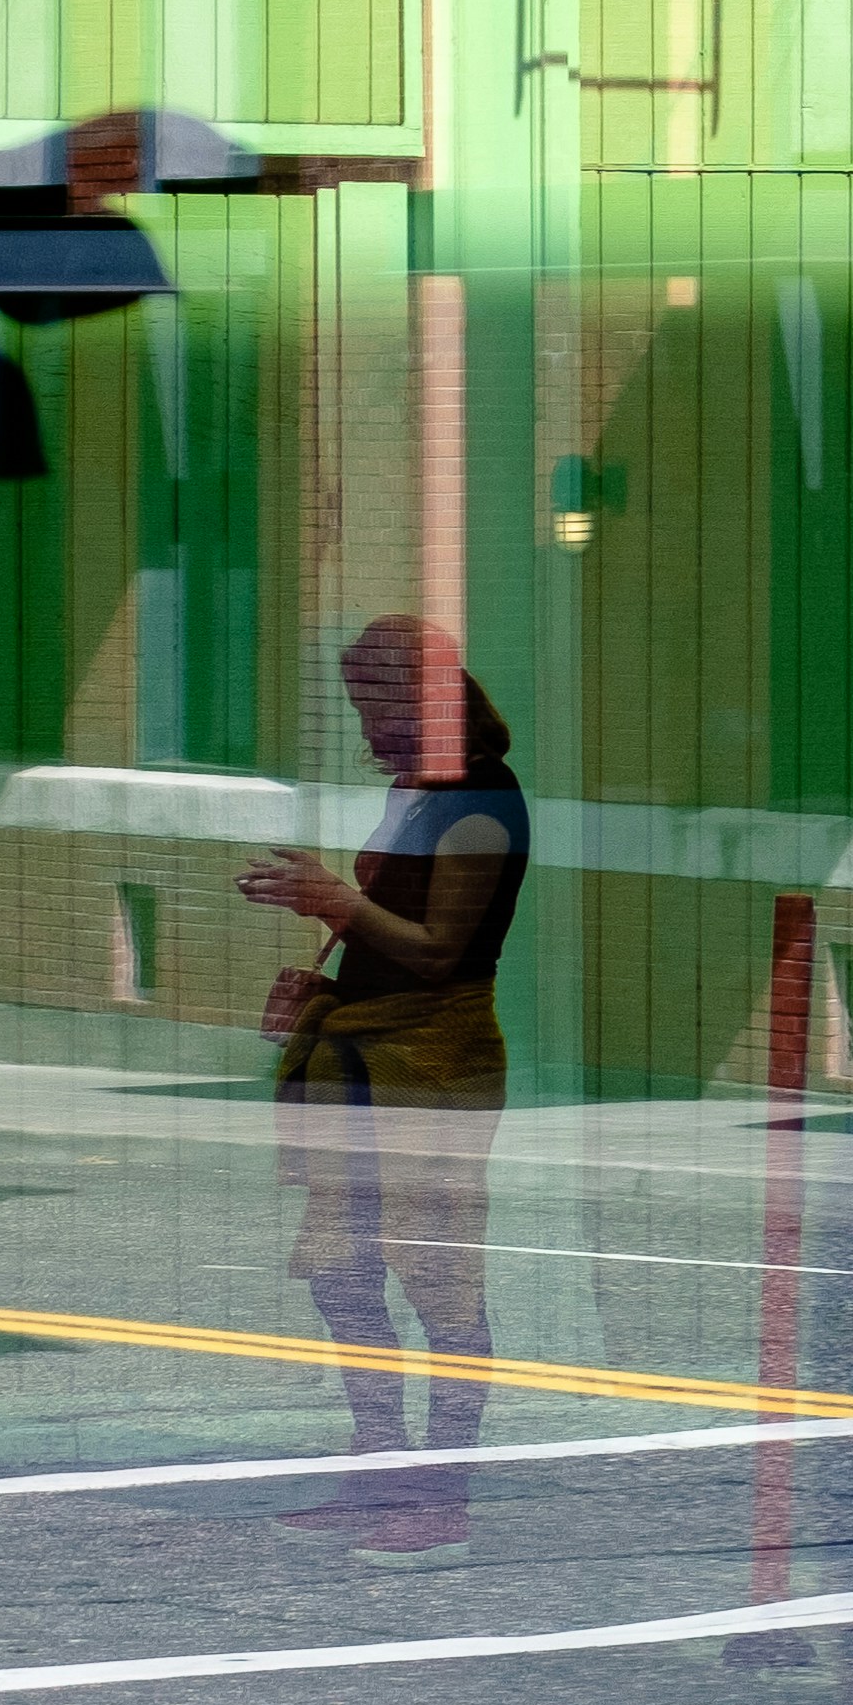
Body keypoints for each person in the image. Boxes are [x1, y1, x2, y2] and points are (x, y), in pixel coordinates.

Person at [239, 616, 531, 1566]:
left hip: (432, 1058)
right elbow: (383, 925)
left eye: (379, 709)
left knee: (437, 1273)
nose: (368, 729)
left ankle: (442, 1489)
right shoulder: (417, 789)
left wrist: (336, 903)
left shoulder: (483, 801)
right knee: (340, 1264)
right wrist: (327, 975)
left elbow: (443, 952)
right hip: (365, 1044)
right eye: (360, 708)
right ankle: (379, 1461)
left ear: (426, 701)